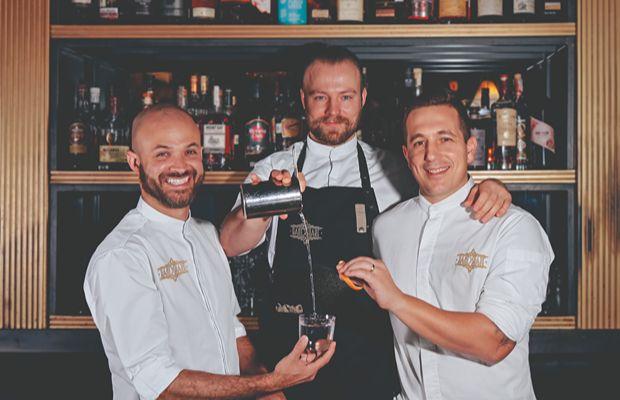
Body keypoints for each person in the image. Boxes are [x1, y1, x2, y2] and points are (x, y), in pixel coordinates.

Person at [219, 44, 512, 400]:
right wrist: (266, 202)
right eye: (320, 98)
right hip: (286, 369)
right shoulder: (273, 168)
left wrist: (488, 186)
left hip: (371, 369)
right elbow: (230, 243)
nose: (333, 111)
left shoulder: (394, 170)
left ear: (363, 98)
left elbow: (446, 197)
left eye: (345, 97)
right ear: (303, 100)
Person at [84, 104, 335, 400]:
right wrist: (271, 381)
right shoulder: (122, 256)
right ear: (134, 162)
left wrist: (272, 393)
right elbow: (161, 386)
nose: (180, 166)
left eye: (190, 151)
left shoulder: (205, 235)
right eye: (162, 154)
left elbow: (233, 334)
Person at [338, 91, 554, 400]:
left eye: (445, 139)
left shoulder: (513, 227)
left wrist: (396, 300)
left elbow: (494, 342)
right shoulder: (385, 228)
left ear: (470, 148)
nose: (431, 155)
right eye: (419, 143)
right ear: (406, 154)